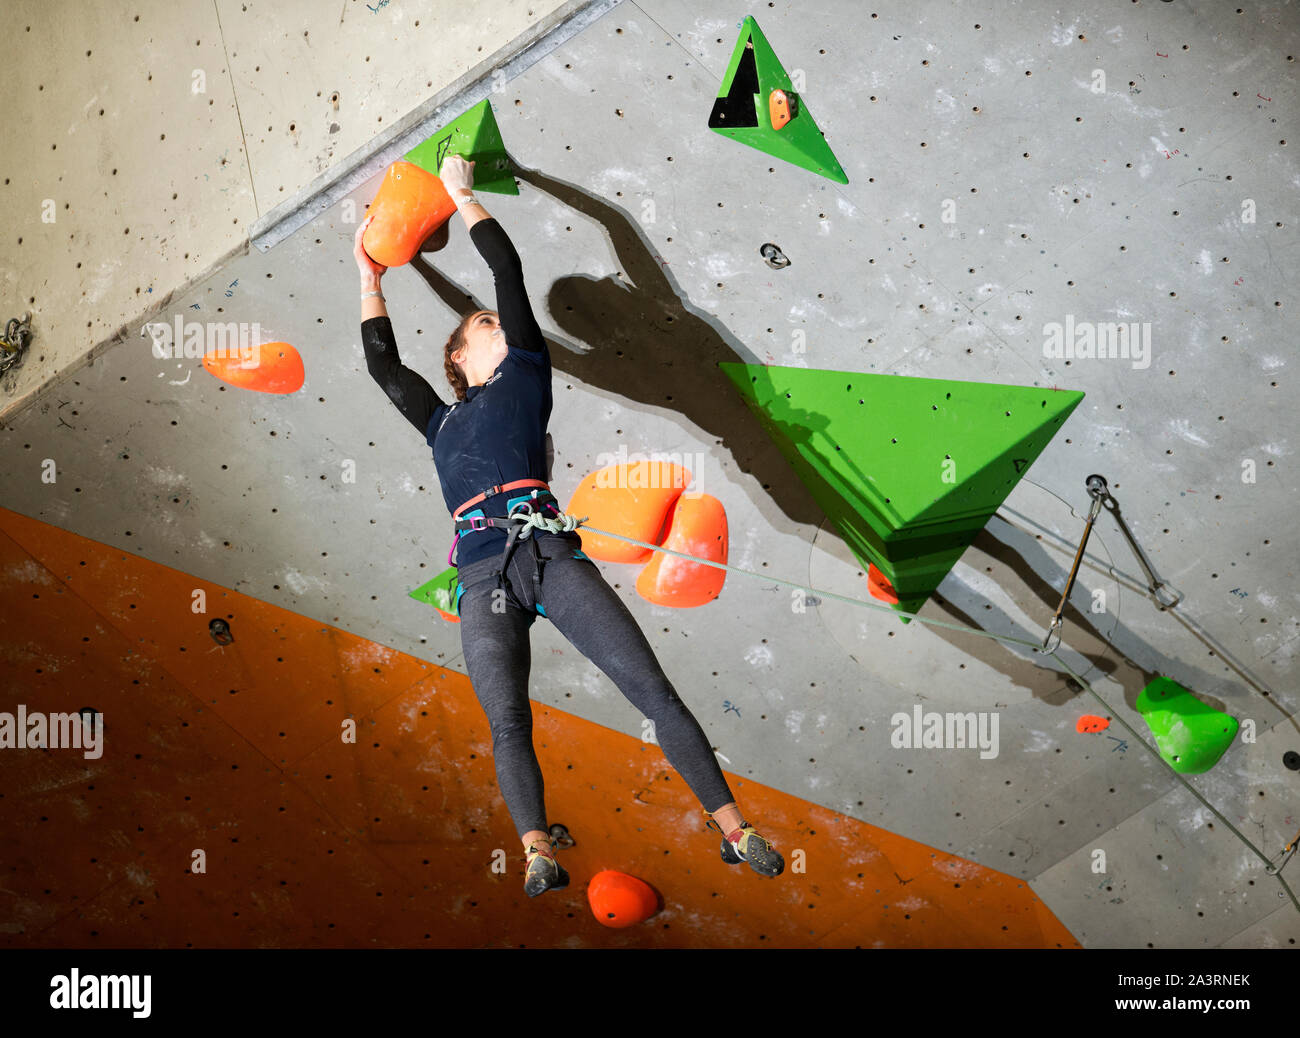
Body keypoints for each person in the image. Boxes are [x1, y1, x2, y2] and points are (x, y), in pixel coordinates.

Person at [355, 155, 783, 897]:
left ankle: (735, 830)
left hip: (550, 556)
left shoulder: (524, 371)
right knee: (507, 718)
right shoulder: (439, 421)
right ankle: (536, 849)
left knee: (651, 689)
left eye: (493, 322)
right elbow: (384, 367)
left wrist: (461, 196)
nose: (498, 323)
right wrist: (369, 273)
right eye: (483, 325)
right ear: (459, 357)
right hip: (485, 576)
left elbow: (507, 273)